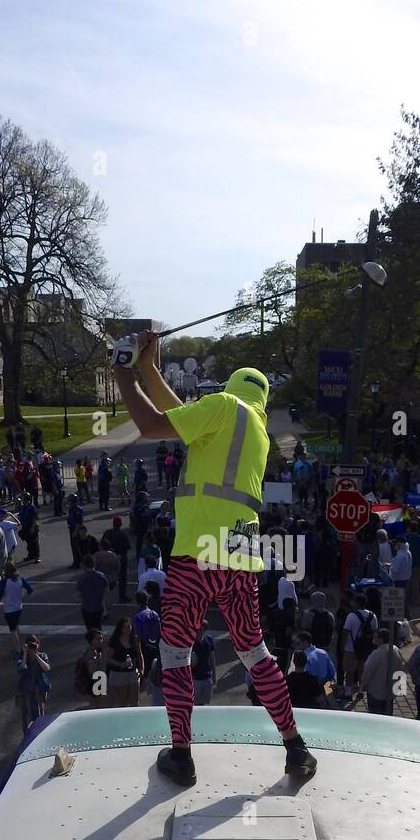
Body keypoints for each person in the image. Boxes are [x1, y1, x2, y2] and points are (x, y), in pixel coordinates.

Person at [112, 332, 315, 785]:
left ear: (230, 389)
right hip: (240, 553)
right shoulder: (257, 431)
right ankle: (295, 747)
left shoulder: (224, 409)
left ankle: (182, 754)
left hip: (196, 552)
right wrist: (150, 370)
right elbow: (179, 417)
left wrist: (123, 370)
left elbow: (152, 424)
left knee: (176, 652)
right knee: (254, 652)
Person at [0, 561, 34, 655]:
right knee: (16, 626)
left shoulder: (4, 582)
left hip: (9, 610)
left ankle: (18, 650)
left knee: (13, 630)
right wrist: (23, 598)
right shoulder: (20, 579)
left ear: (7, 571)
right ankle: (22, 646)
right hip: (18, 608)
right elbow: (30, 590)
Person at [360, 628, 404, 715]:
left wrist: (363, 685)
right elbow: (401, 667)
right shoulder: (395, 649)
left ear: (381, 639)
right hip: (390, 691)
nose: (373, 639)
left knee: (375, 715)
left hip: (376, 692)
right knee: (388, 714)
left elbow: (368, 671)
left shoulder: (376, 653)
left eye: (375, 637)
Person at [17, 634, 51, 735]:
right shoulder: (22, 657)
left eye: (34, 644)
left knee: (41, 712)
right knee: (28, 713)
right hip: (27, 689)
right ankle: (29, 734)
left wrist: (36, 655)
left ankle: (41, 733)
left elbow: (47, 668)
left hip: (40, 688)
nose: (32, 647)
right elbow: (22, 668)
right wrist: (25, 653)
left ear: (38, 645)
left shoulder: (42, 655)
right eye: (30, 645)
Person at [105, 617, 142, 707]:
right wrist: (119, 664)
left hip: (132, 672)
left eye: (128, 627)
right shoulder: (115, 641)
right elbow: (107, 658)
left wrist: (141, 668)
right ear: (120, 628)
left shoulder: (135, 639)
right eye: (124, 627)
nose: (127, 630)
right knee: (122, 702)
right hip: (119, 674)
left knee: (135, 701)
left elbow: (140, 654)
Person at [191, 621, 216, 705]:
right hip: (194, 679)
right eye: (197, 629)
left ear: (204, 630)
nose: (198, 632)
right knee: (195, 704)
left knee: (205, 703)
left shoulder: (209, 639)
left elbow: (212, 658)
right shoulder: (190, 643)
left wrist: (214, 675)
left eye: (201, 629)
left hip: (207, 677)